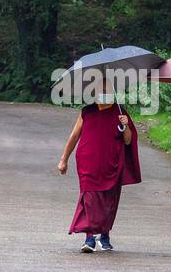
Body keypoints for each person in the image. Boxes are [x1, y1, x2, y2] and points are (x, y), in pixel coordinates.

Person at [58, 94, 141, 252]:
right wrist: (64, 159)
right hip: (87, 162)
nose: (103, 94)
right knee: (89, 198)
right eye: (99, 90)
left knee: (109, 200)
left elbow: (128, 141)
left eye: (106, 90)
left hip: (112, 164)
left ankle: (104, 234)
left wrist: (127, 126)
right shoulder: (87, 112)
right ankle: (89, 238)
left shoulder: (119, 112)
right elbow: (75, 135)